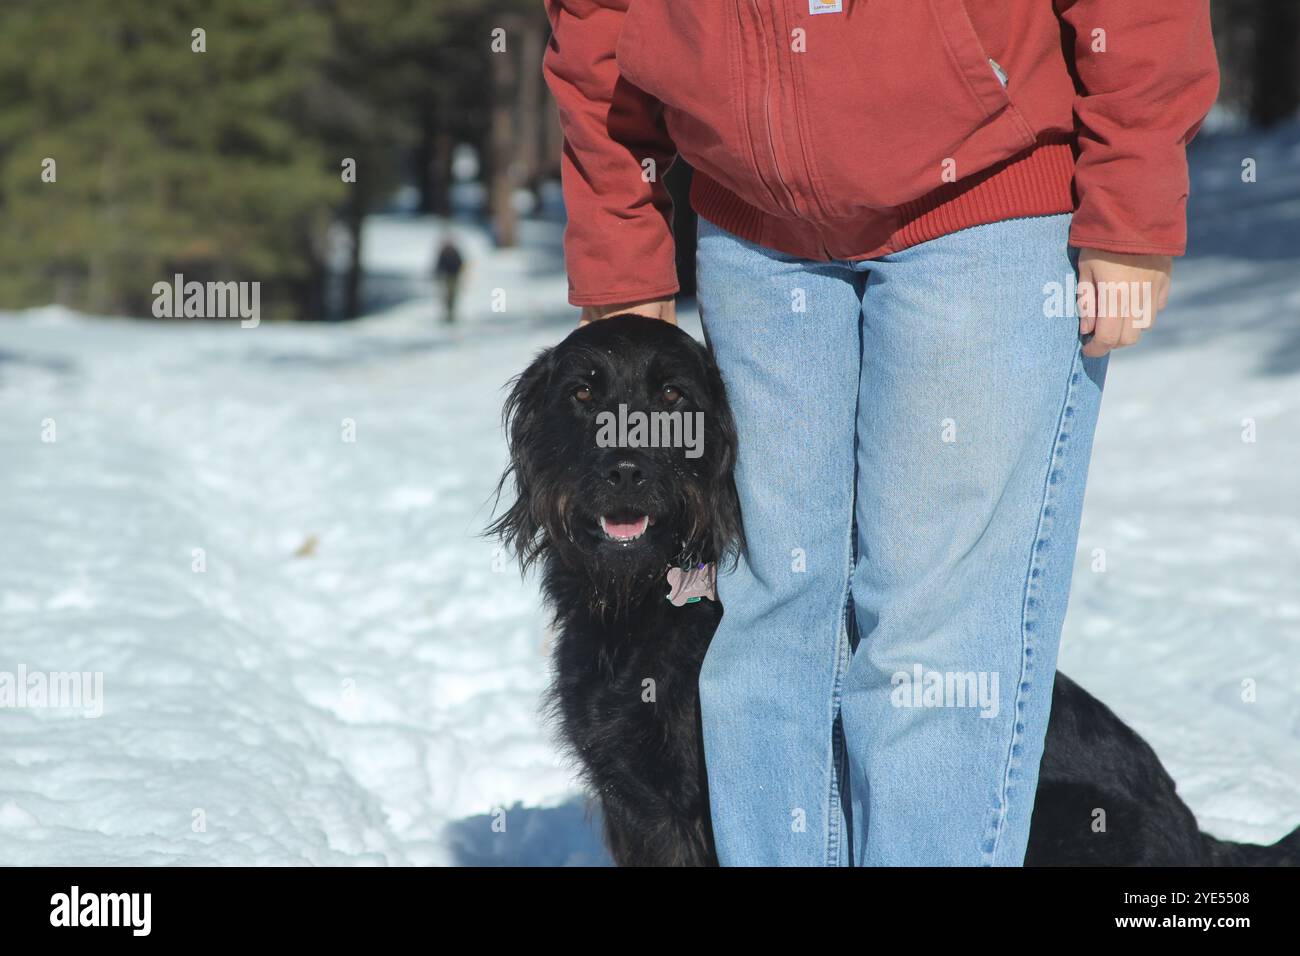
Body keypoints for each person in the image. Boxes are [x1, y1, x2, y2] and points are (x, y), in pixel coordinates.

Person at [543, 0, 1219, 865]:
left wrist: (1134, 187)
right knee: (763, 618)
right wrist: (619, 232)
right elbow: (598, 18)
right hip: (754, 225)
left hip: (985, 197)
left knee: (933, 634)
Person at [434, 235, 464, 324]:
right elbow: (438, 264)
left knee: (452, 296)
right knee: (445, 296)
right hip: (446, 277)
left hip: (453, 277)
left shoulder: (454, 252)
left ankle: (451, 314)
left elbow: (460, 263)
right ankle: (447, 314)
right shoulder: (443, 252)